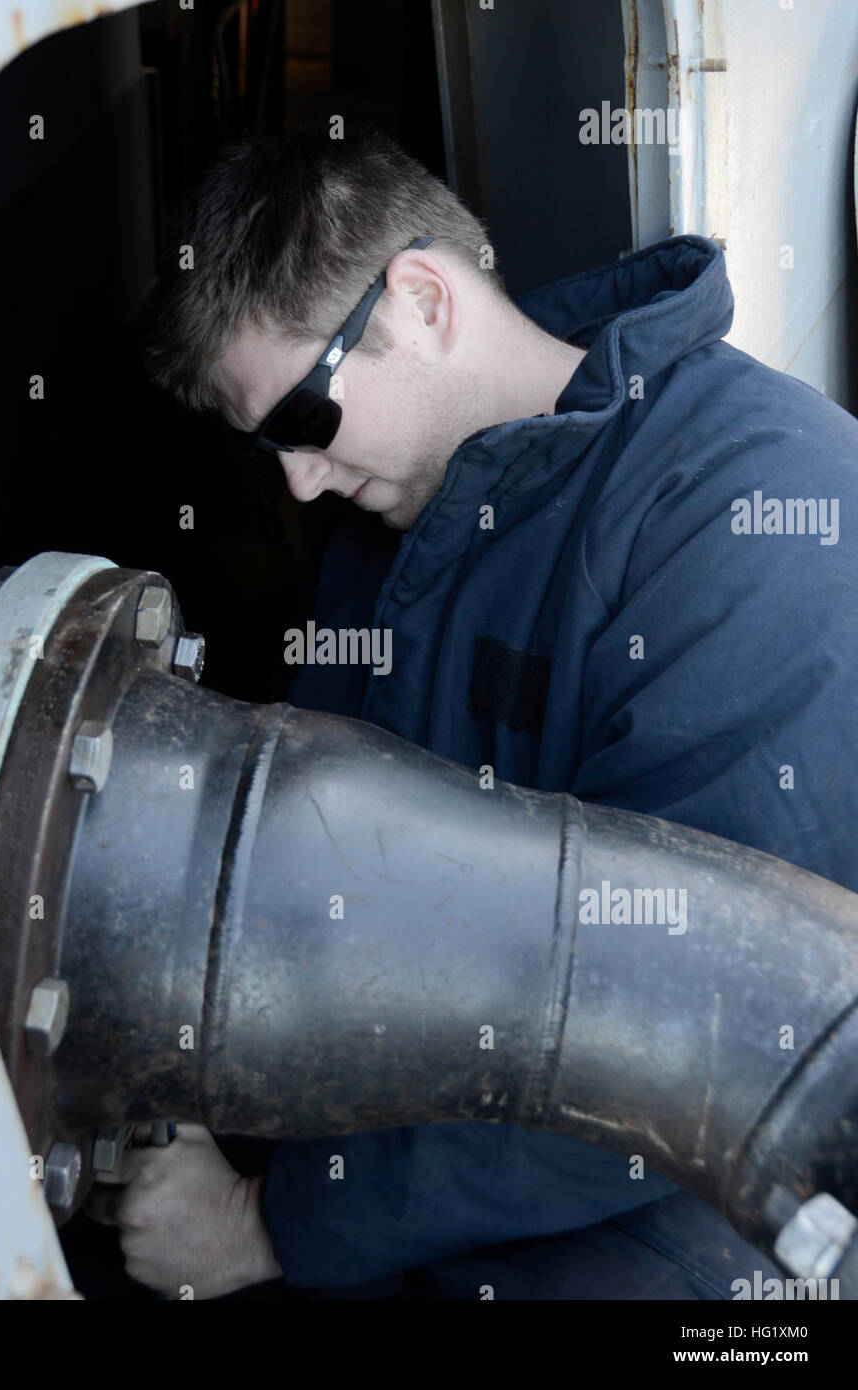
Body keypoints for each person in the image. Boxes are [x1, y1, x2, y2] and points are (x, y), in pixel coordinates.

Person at [115, 125, 858, 1300]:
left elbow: (701, 1032)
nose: (296, 478)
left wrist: (273, 1225)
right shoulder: (395, 525)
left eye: (301, 420)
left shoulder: (754, 509)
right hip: (415, 1147)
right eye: (267, 447)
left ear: (419, 300)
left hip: (674, 1209)